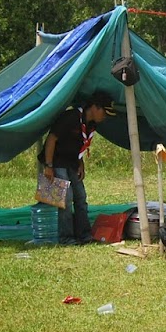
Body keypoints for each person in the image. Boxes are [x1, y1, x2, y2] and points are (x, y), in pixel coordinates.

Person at [43, 92, 112, 245]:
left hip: (73, 162)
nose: (105, 116)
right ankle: (66, 238)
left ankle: (84, 235)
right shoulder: (71, 117)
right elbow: (51, 139)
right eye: (104, 112)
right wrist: (48, 166)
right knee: (65, 199)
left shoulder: (92, 124)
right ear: (94, 107)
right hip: (57, 161)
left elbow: (80, 144)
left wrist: (81, 164)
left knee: (81, 198)